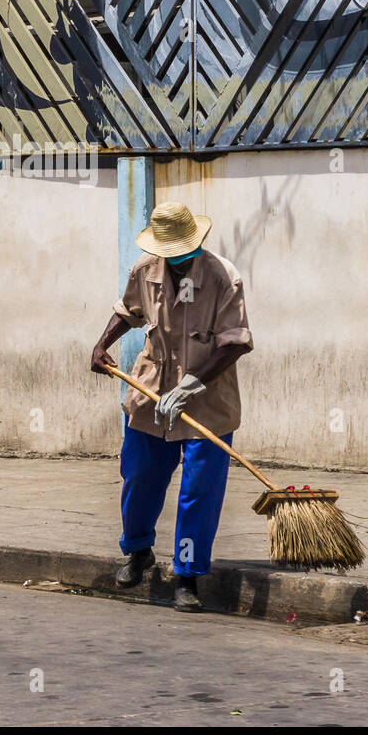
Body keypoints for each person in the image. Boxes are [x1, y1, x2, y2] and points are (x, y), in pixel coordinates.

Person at [90, 201, 253, 612]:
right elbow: (127, 312)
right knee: (140, 476)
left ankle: (187, 576)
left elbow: (235, 342)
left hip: (207, 399)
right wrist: (100, 345)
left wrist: (193, 384)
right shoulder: (145, 271)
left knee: (198, 489)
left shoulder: (222, 277)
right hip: (151, 392)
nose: (176, 260)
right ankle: (138, 551)